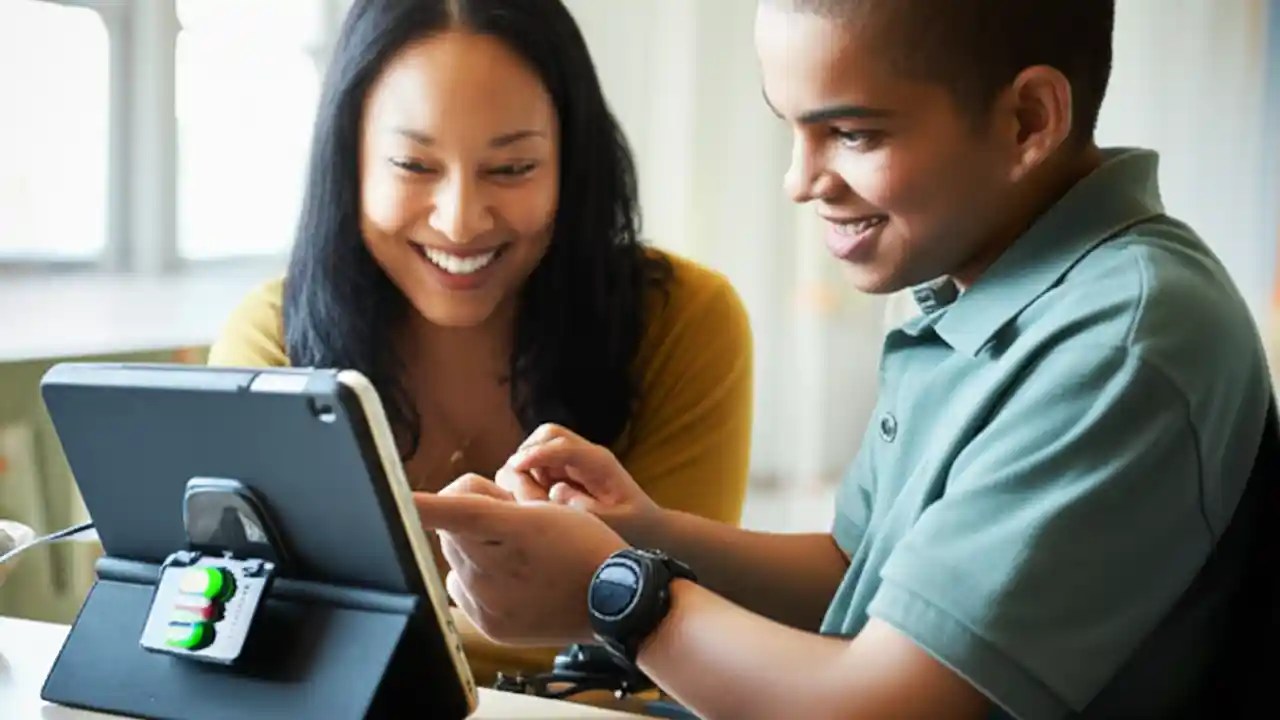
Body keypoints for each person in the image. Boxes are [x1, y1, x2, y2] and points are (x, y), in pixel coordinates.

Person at [412, 0, 1278, 718]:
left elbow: (889, 706)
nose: (800, 179)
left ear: (1027, 121)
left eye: (852, 134)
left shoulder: (1122, 343)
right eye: (791, 127)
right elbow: (854, 573)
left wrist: (615, 592)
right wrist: (639, 534)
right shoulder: (978, 289)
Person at [205, 0, 754, 686]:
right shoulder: (271, 341)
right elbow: (252, 627)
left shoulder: (683, 322)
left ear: (572, 162)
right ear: (348, 163)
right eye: (412, 164)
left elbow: (688, 618)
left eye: (512, 169)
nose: (460, 221)